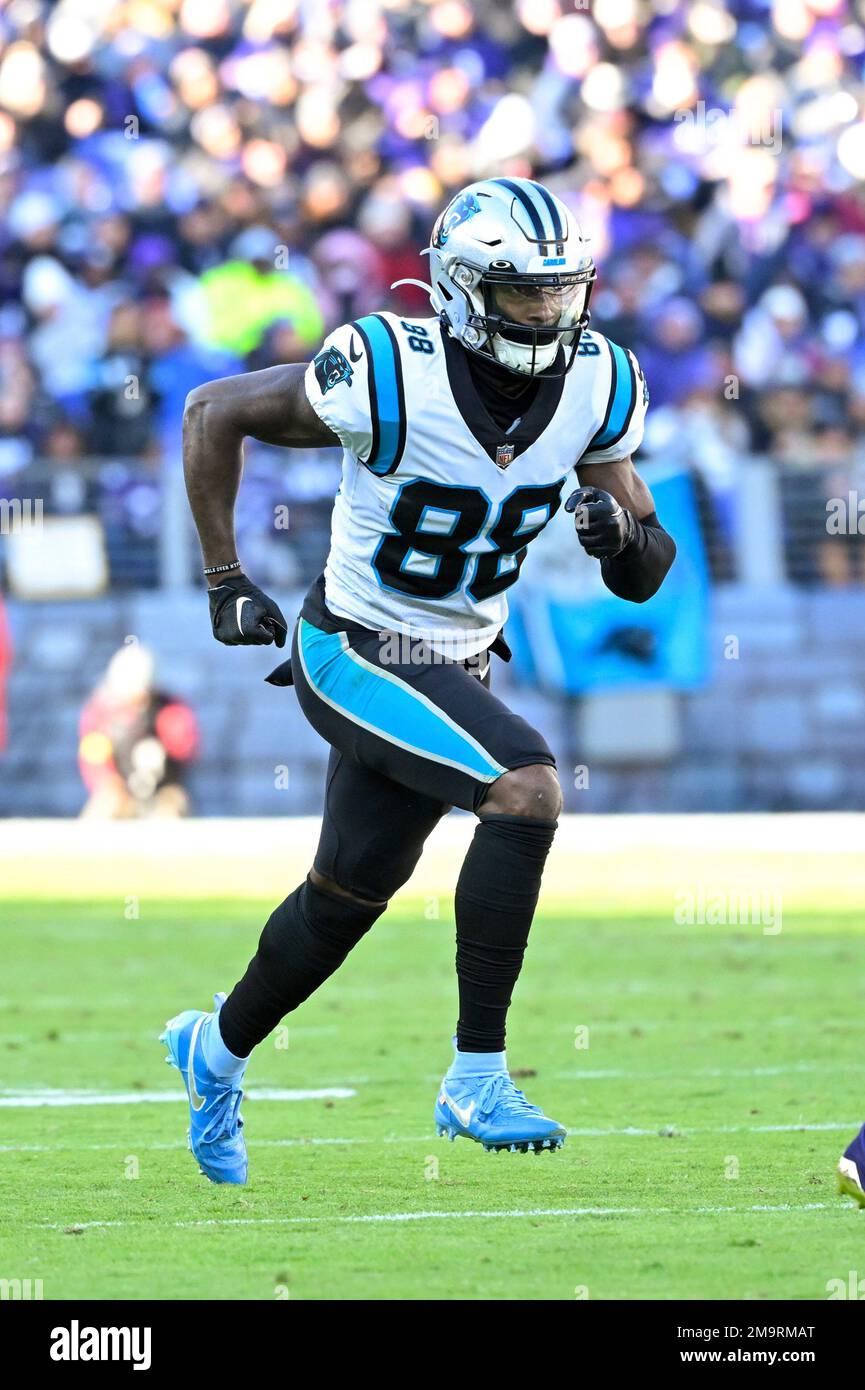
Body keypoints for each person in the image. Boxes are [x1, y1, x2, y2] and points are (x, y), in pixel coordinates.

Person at [164, 178, 676, 1184]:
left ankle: (212, 1051)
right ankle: (476, 1074)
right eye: (525, 296)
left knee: (343, 900)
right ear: (461, 288)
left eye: (561, 292)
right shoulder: (387, 368)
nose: (549, 315)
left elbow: (645, 571)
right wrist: (226, 579)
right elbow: (212, 410)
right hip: (356, 644)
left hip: (458, 657)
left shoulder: (598, 381)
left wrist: (621, 532)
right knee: (525, 784)